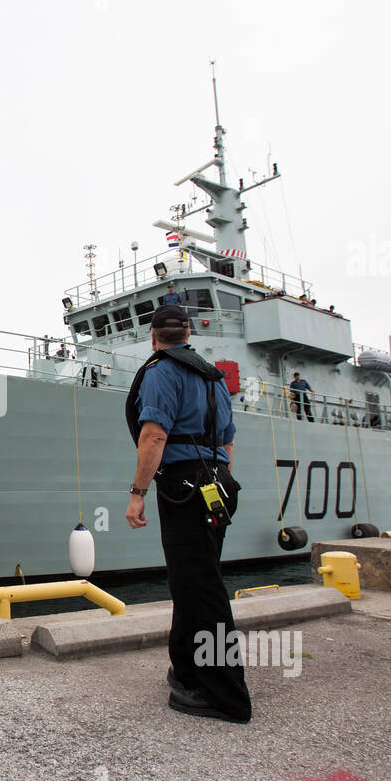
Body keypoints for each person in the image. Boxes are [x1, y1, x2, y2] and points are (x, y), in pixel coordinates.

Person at [125, 304, 250, 724]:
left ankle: (226, 696)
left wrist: (137, 492)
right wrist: (217, 480)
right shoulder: (215, 379)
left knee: (201, 588)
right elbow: (228, 443)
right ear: (189, 334)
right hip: (217, 482)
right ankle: (187, 670)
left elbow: (155, 434)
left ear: (154, 336)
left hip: (184, 484)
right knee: (192, 580)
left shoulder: (161, 371)